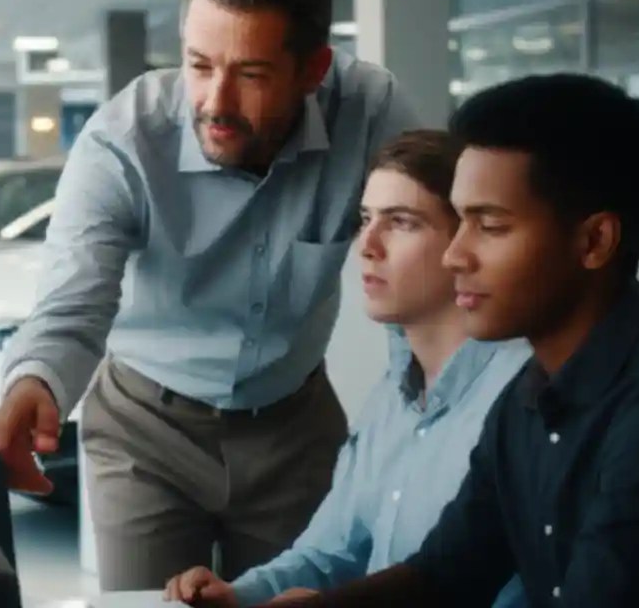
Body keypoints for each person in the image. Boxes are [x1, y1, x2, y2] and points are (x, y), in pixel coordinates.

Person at [0, 0, 420, 590]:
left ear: (313, 71)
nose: (216, 102)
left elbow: (423, 280)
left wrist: (424, 417)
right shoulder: (123, 139)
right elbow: (73, 302)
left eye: (251, 74)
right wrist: (32, 386)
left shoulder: (370, 112)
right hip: (144, 428)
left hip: (295, 427)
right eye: (199, 64)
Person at [268, 74, 639, 608]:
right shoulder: (527, 400)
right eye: (460, 222)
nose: (455, 256)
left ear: (594, 241)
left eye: (490, 226)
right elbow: (444, 573)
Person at [164, 131, 530, 607]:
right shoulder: (390, 396)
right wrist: (236, 595)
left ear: (464, 242)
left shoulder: (524, 397)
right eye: (366, 219)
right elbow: (329, 554)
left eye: (401, 222)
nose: (367, 246)